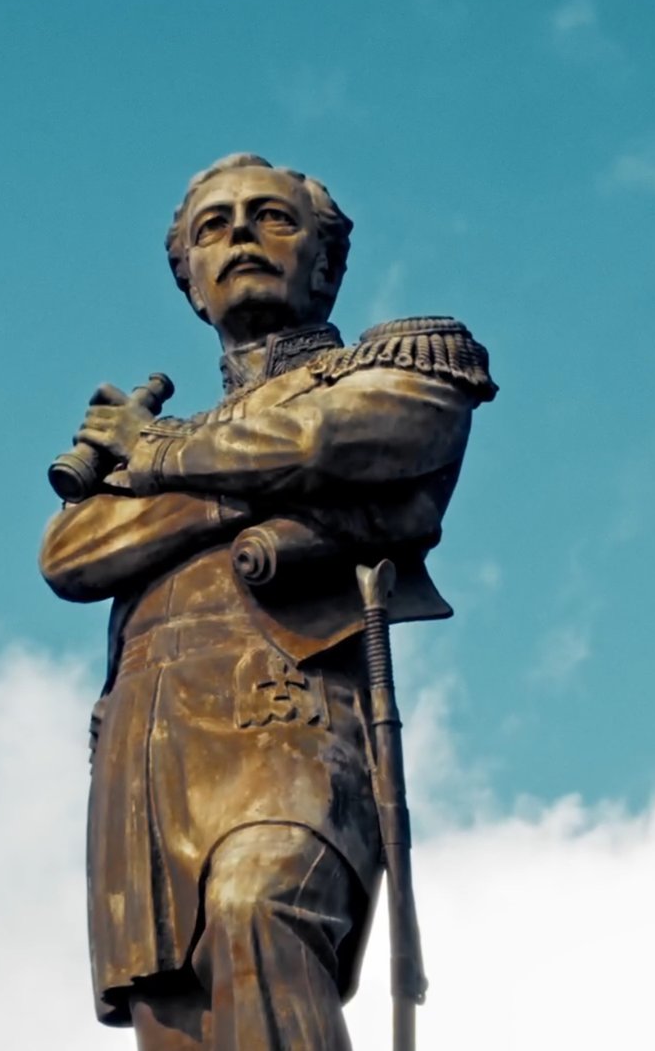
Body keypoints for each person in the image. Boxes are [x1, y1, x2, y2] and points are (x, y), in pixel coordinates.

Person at [39, 153, 495, 1050]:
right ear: (192, 283)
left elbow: (348, 435)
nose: (241, 234)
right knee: (178, 1017)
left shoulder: (396, 361)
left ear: (325, 263)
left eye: (270, 217)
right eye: (213, 226)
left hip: (289, 710)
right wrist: (249, 488)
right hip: (151, 742)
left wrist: (162, 458)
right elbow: (73, 550)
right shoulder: (160, 437)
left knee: (260, 900)